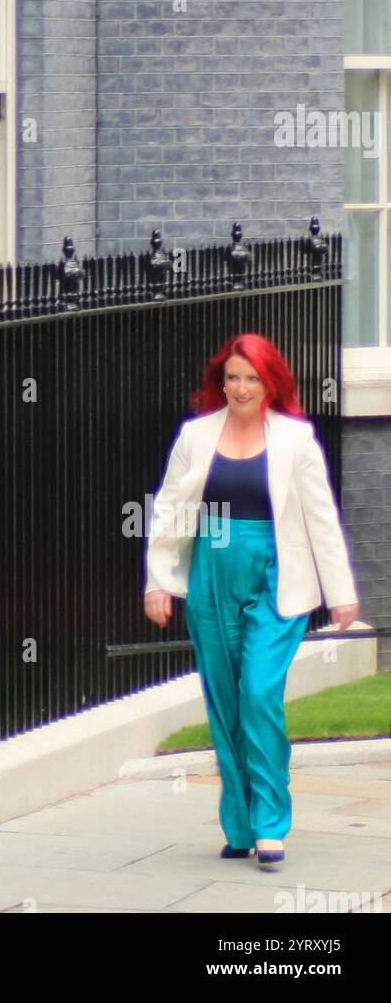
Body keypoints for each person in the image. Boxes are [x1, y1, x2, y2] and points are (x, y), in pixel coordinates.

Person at [143, 333, 359, 868]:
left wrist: (341, 593)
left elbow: (321, 518)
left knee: (260, 692)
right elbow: (169, 509)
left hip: (275, 576)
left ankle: (269, 823)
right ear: (222, 381)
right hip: (211, 571)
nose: (241, 388)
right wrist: (159, 581)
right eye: (233, 377)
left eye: (252, 378)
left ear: (271, 383)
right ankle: (239, 825)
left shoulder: (296, 438)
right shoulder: (195, 435)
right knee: (225, 700)